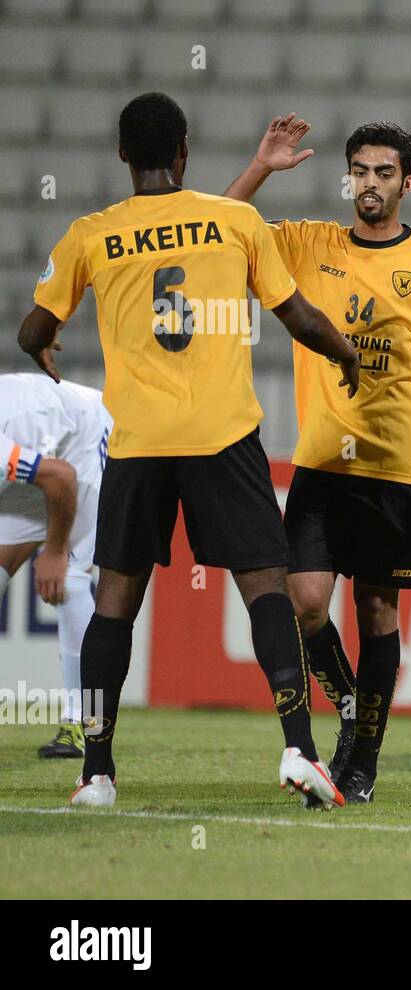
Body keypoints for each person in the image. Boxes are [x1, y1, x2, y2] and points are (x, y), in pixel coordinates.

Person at [18, 91, 361, 809]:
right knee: (265, 587)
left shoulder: (92, 233)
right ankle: (299, 748)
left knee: (114, 599)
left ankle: (97, 773)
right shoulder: (234, 221)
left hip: (138, 441)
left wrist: (45, 337)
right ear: (183, 151)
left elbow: (32, 328)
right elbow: (297, 315)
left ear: (121, 155)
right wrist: (345, 355)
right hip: (222, 434)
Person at [224, 115, 411, 802]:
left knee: (379, 614)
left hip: (398, 466)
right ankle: (347, 703)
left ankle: (365, 761)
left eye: (384, 172)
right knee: (306, 601)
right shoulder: (307, 242)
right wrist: (261, 165)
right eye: (360, 170)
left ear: (406, 182)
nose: (369, 183)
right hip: (322, 462)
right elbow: (220, 231)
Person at [0, 373, 111, 757]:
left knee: (71, 580)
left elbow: (60, 477)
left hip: (83, 435)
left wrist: (55, 550)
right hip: (37, 455)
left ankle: (82, 724)